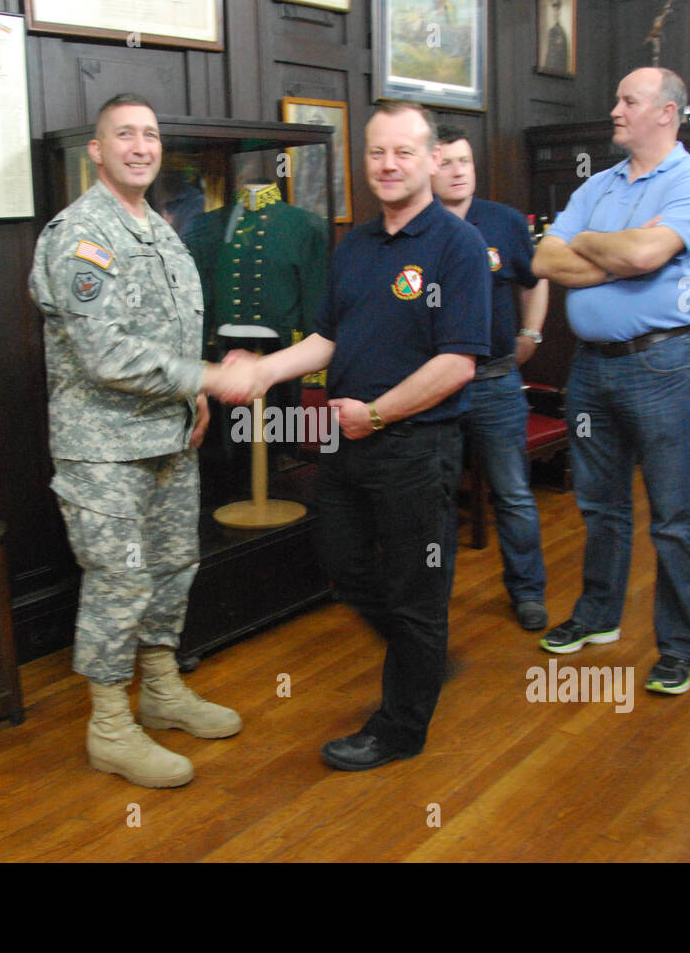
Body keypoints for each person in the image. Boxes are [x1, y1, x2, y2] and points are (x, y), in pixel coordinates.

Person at [223, 100, 490, 770]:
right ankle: (420, 655)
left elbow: (456, 364)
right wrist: (263, 371)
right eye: (377, 152)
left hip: (417, 451)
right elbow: (325, 338)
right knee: (342, 566)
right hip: (346, 448)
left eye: (404, 151)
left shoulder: (456, 247)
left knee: (415, 593)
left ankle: (400, 727)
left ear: (431, 159)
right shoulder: (356, 245)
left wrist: (377, 414)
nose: (390, 164)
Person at [28, 94, 260, 788]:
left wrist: (193, 395)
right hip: (104, 449)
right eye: (123, 135)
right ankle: (109, 727)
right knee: (119, 579)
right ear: (95, 151)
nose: (139, 146)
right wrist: (209, 378)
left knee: (171, 565)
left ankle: (159, 693)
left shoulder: (159, 230)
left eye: (150, 135)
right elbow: (106, 355)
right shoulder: (81, 235)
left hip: (168, 438)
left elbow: (172, 332)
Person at [531, 67, 690, 695]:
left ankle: (679, 648)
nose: (614, 110)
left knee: (672, 515)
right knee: (599, 504)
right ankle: (597, 617)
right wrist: (617, 254)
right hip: (590, 367)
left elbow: (644, 255)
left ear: (666, 112)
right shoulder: (600, 184)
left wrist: (589, 243)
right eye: (617, 97)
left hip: (662, 365)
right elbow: (543, 259)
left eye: (627, 100)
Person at [433, 123, 550, 631]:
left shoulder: (502, 222)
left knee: (513, 493)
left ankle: (527, 591)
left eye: (466, 161)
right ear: (427, 168)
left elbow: (535, 279)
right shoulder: (415, 225)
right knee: (431, 498)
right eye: (447, 162)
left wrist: (533, 333)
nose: (458, 171)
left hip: (496, 380)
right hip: (433, 385)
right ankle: (431, 598)